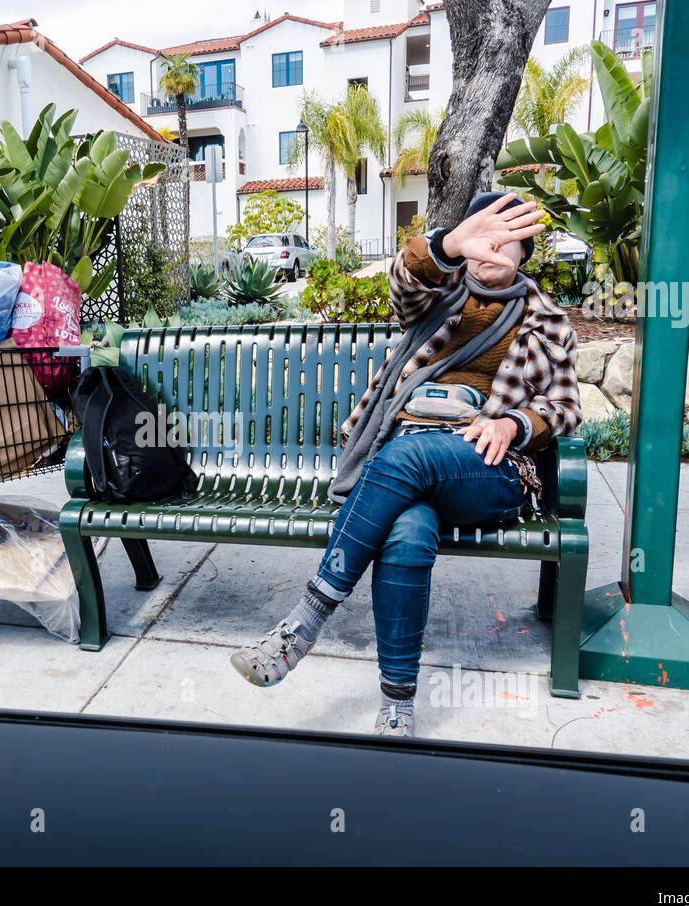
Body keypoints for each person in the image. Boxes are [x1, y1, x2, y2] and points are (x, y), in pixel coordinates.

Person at [227, 191, 582, 737]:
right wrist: (448, 242)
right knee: (407, 531)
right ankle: (398, 705)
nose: (493, 243)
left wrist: (514, 424)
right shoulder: (439, 296)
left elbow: (564, 407)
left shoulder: (548, 320)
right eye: (483, 231)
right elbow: (404, 283)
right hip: (406, 454)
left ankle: (306, 620)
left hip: (488, 466)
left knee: (407, 457)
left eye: (507, 233)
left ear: (526, 249)